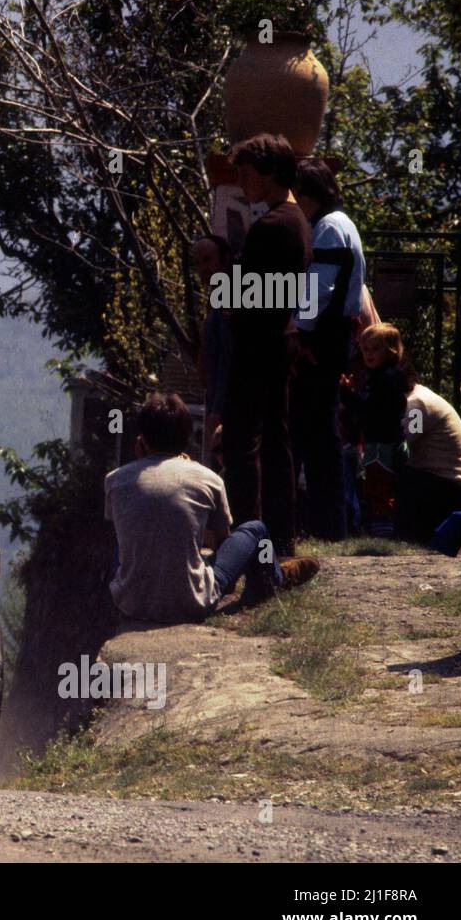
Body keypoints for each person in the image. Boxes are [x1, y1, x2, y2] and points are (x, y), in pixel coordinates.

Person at [104, 393, 319, 624]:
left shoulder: (114, 480)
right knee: (256, 529)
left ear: (142, 439)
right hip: (191, 603)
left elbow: (122, 533)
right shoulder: (207, 478)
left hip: (131, 604)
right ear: (187, 438)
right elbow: (221, 542)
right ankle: (274, 578)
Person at [223, 133, 312, 559]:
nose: (242, 183)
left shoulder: (271, 226)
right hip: (279, 338)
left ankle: (250, 539)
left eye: (246, 174)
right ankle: (280, 536)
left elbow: (240, 296)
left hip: (257, 343)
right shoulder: (298, 221)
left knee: (243, 442)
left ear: (271, 172)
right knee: (276, 440)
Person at [290, 158, 365, 542]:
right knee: (319, 431)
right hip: (330, 335)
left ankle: (329, 522)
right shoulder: (338, 223)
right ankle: (328, 522)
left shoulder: (330, 228)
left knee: (316, 431)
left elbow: (319, 288)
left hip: (323, 337)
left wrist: (300, 334)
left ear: (308, 194)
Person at [341, 324, 415, 537]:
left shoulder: (384, 379)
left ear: (390, 350)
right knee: (382, 485)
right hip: (389, 440)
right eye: (365, 349)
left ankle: (384, 529)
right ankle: (383, 525)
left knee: (379, 487)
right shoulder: (389, 377)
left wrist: (347, 395)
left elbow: (369, 411)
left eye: (375, 349)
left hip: (382, 442)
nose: (369, 354)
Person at [398, 381, 461, 544]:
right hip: (441, 480)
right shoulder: (418, 397)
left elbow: (405, 443)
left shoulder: (417, 405)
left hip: (448, 485)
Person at [191, 234, 234, 468]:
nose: (202, 269)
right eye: (197, 263)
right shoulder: (217, 296)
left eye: (207, 260)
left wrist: (217, 408)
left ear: (224, 259)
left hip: (228, 405)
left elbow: (227, 358)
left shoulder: (230, 297)